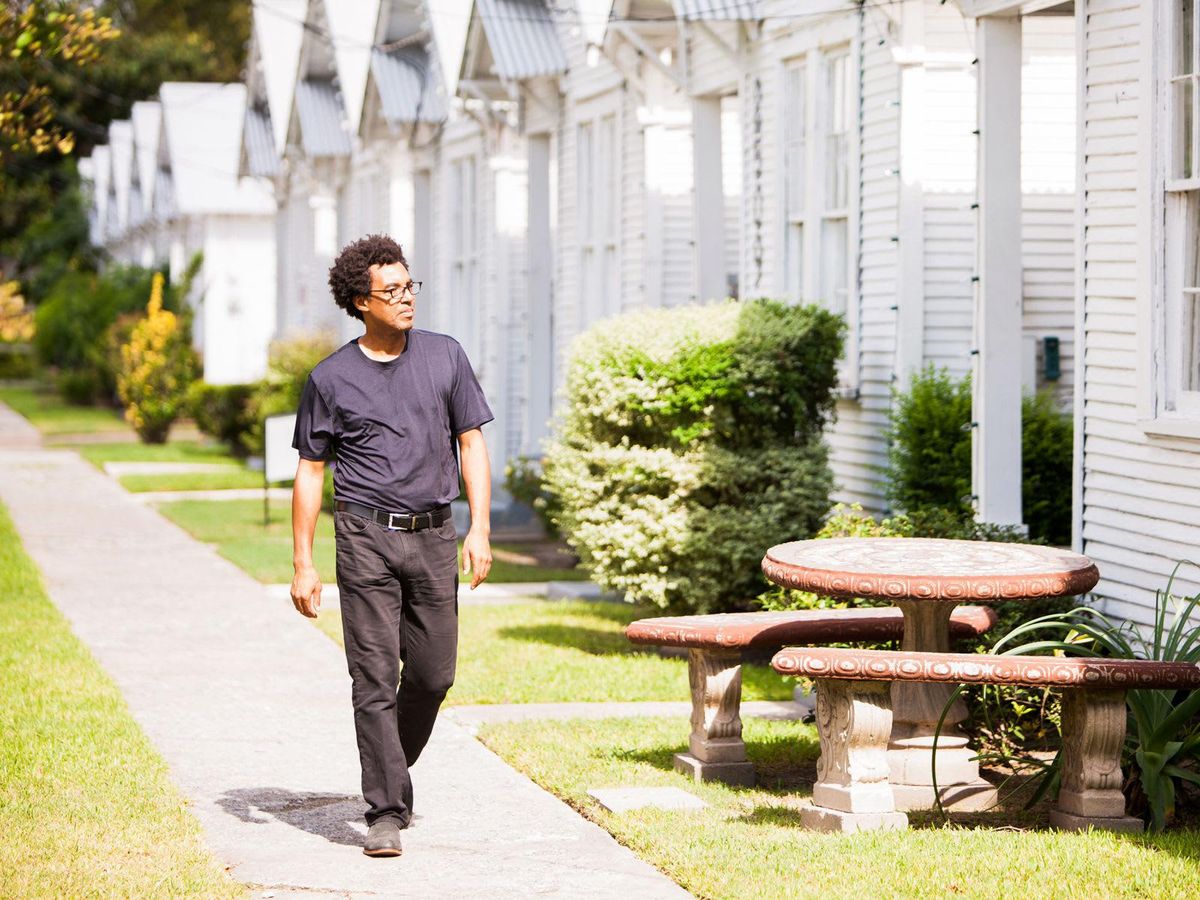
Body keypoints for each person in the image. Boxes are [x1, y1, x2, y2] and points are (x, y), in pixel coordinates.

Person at [289, 234, 494, 858]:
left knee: (433, 675)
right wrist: (303, 562)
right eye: (392, 291)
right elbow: (310, 471)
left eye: (411, 287)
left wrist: (479, 527)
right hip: (363, 537)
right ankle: (383, 811)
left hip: (433, 533)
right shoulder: (330, 378)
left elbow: (471, 443)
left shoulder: (445, 357)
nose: (406, 299)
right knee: (373, 677)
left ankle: (389, 770)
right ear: (360, 302)